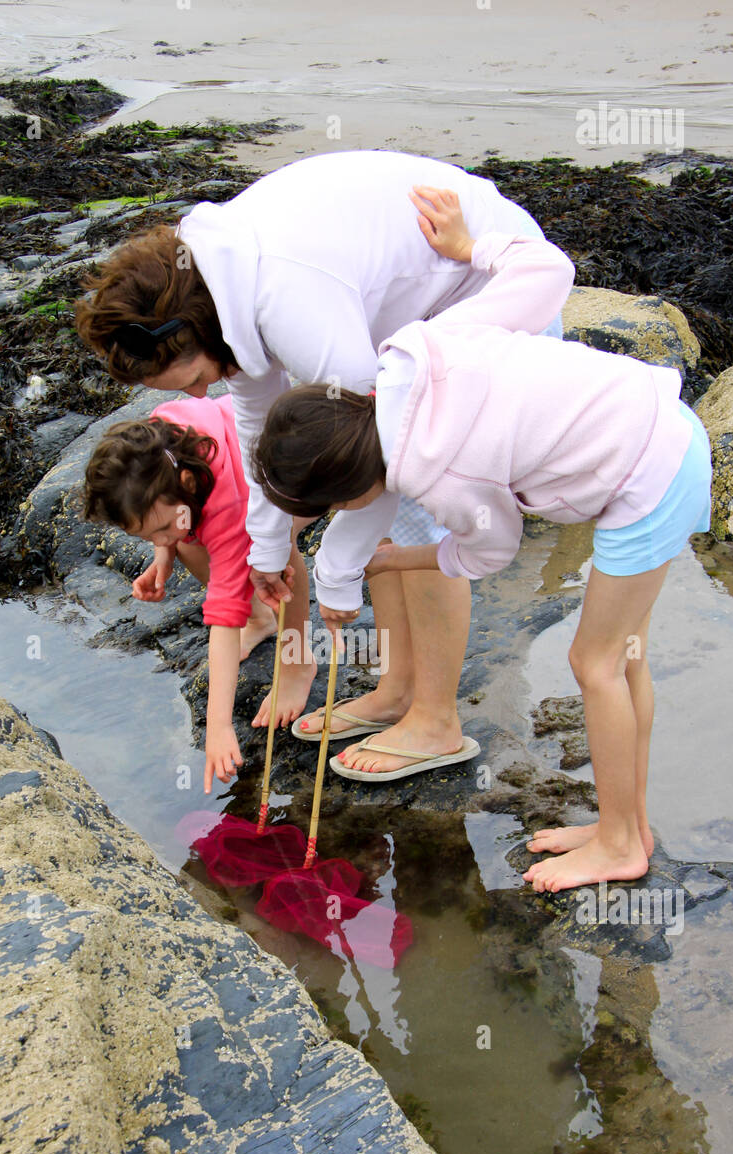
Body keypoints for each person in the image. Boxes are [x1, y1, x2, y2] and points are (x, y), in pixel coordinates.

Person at [250, 189, 712, 892]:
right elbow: (546, 272)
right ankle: (628, 823)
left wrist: (403, 555)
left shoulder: (441, 473)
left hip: (645, 479)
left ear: (350, 491)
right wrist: (475, 247)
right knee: (625, 659)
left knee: (596, 664)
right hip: (661, 425)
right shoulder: (414, 351)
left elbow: (493, 551)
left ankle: (621, 844)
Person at [74, 150, 574, 775]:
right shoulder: (224, 284)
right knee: (387, 524)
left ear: (196, 330)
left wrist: (336, 575)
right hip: (411, 318)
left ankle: (436, 721)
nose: (198, 398)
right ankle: (397, 690)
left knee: (417, 508)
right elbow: (257, 424)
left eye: (196, 378)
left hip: (488, 289)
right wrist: (265, 549)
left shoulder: (288, 301)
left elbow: (379, 449)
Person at [81, 393, 308, 794]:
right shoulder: (160, 447)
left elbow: (222, 615)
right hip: (222, 489)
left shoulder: (229, 504)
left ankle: (297, 660)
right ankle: (262, 620)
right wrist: (164, 552)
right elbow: (175, 525)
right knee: (188, 538)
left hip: (298, 475)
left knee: (275, 551)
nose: (158, 538)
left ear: (186, 481)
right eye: (147, 535)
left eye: (160, 528)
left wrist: (218, 726)